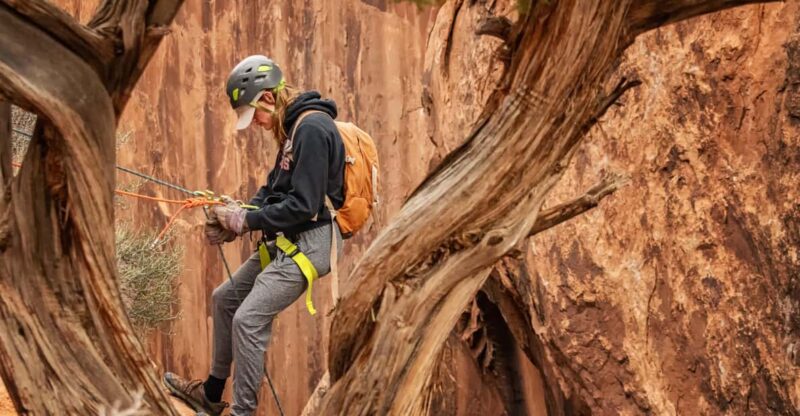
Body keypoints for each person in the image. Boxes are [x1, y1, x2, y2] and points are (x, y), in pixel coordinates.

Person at [163, 55, 345, 416]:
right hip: (290, 240)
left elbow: (304, 206)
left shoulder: (310, 128)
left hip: (310, 244)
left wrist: (245, 223)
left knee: (248, 320)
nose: (258, 123)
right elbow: (273, 188)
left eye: (255, 114)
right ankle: (211, 395)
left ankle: (242, 413)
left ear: (267, 97)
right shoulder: (292, 129)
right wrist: (241, 212)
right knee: (225, 298)